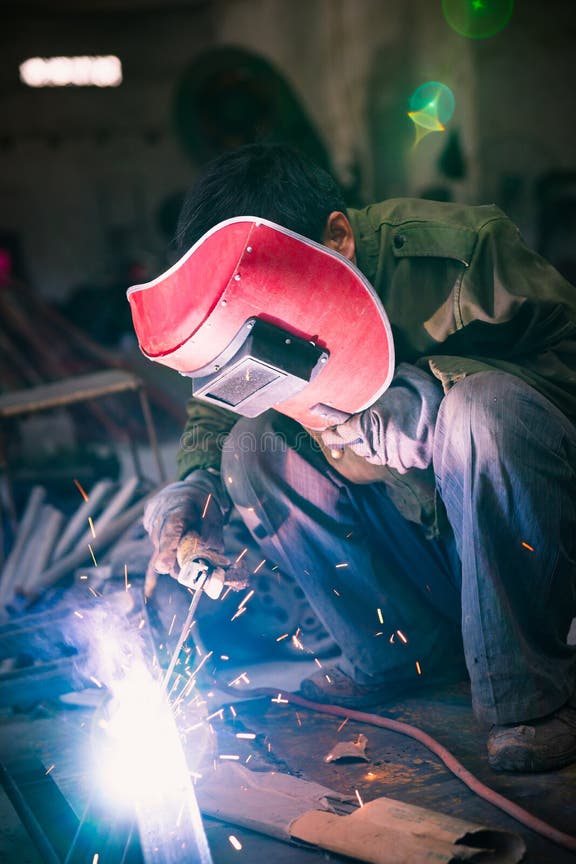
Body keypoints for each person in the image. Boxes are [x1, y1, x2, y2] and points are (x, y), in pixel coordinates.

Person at [139, 142, 576, 774]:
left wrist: (442, 397)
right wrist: (193, 491)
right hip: (422, 539)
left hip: (534, 538)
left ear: (336, 238)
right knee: (249, 452)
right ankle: (398, 656)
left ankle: (529, 697)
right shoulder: (245, 298)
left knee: (482, 414)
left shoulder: (461, 254)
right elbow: (222, 406)